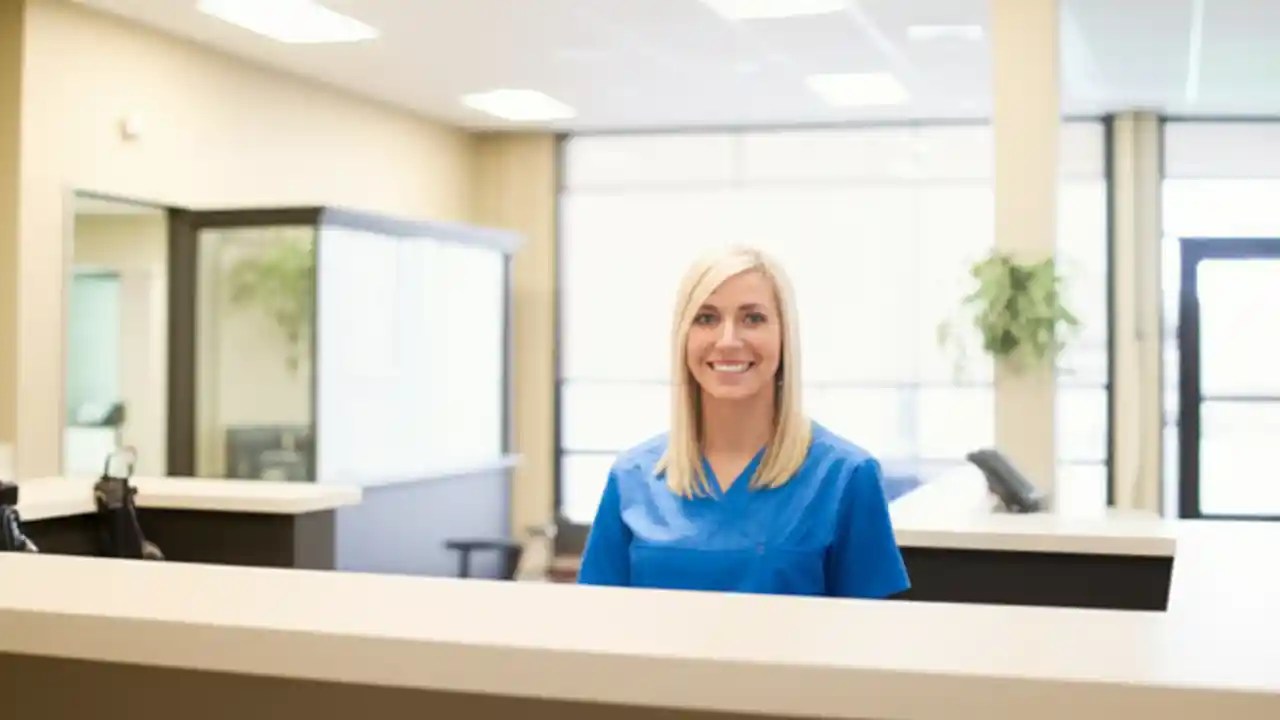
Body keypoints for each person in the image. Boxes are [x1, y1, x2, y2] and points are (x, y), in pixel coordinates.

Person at [577, 245, 910, 598]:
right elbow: (594, 620)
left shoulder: (846, 478)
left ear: (784, 336)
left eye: (753, 318)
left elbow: (872, 628)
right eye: (706, 318)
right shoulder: (632, 478)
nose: (727, 341)